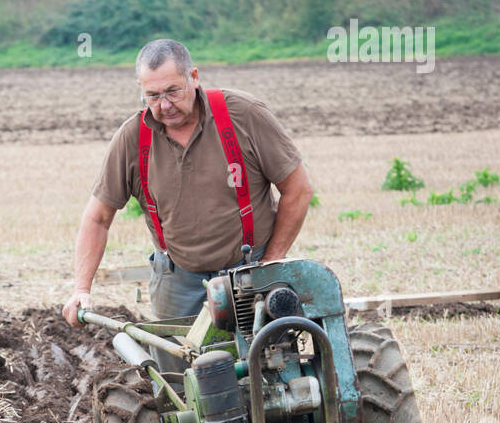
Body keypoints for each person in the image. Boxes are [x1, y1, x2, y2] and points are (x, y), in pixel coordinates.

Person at [62, 39, 313, 373]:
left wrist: (271, 261)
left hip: (249, 273)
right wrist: (82, 289)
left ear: (194, 77)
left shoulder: (242, 115)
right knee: (181, 384)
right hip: (177, 282)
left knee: (268, 372)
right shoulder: (133, 138)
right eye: (153, 96)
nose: (164, 105)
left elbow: (297, 189)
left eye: (173, 91)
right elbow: (97, 218)